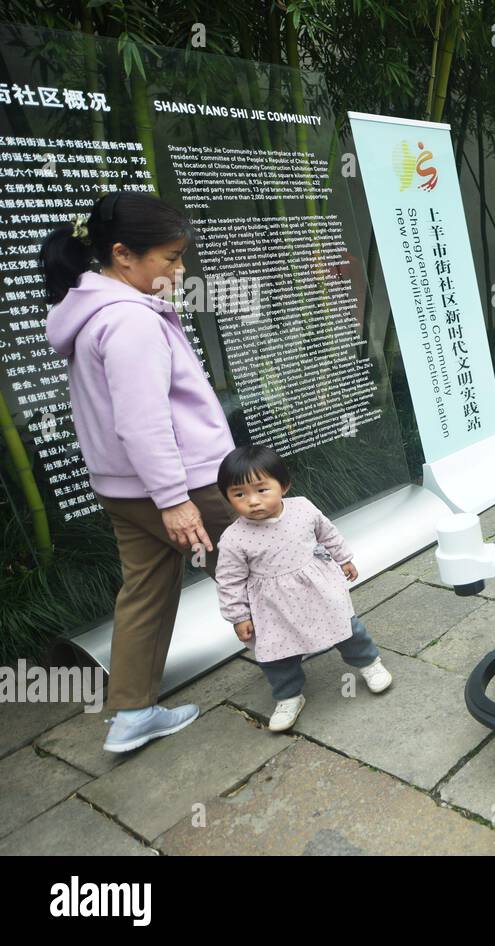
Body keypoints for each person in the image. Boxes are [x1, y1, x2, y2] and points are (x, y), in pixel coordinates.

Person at [43, 191, 237, 753]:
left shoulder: (92, 313)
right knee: (267, 558)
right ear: (123, 255)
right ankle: (324, 660)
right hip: (183, 483)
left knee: (146, 590)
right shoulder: (129, 321)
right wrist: (175, 499)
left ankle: (132, 713)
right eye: (171, 258)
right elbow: (142, 421)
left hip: (124, 489)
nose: (180, 271)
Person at [215, 445, 391, 732]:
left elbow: (327, 532)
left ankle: (369, 662)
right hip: (273, 604)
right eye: (239, 494)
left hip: (317, 588)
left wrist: (344, 557)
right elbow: (229, 580)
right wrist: (239, 616)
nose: (253, 501)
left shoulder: (303, 508)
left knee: (346, 627)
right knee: (275, 652)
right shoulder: (234, 538)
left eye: (261, 490)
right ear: (227, 497)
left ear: (283, 486)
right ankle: (288, 696)